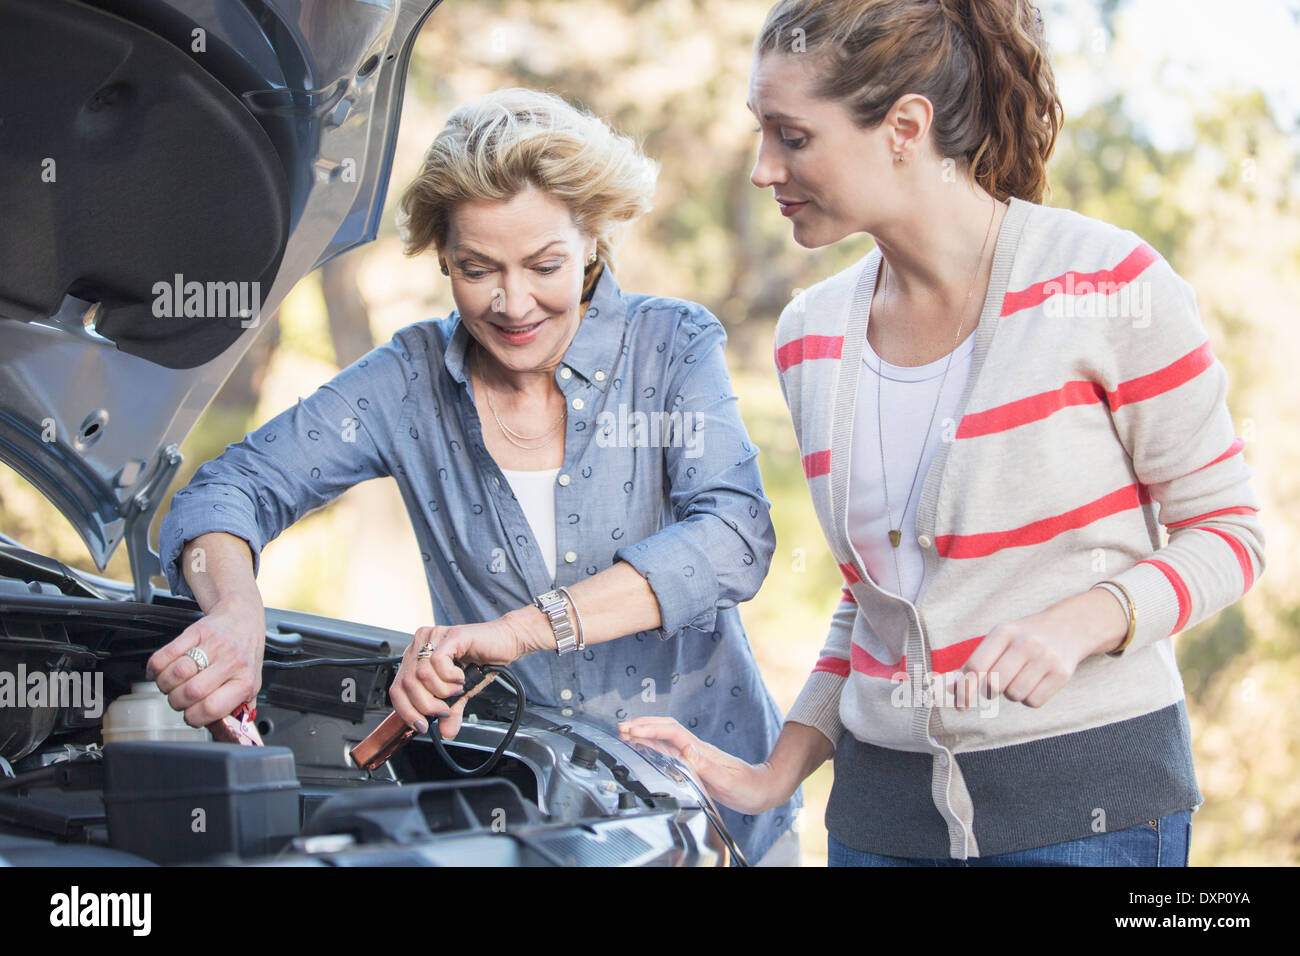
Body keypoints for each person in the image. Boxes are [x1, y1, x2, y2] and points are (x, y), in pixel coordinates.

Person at [620, 0, 1266, 866]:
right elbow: (876, 600)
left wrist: (1088, 617)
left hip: (1087, 817)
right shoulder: (811, 337)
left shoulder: (1109, 285)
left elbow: (1229, 534)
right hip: (876, 828)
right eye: (760, 134)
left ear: (905, 126)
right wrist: (779, 770)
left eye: (793, 137)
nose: (763, 169)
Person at [148, 88, 800, 865]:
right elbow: (228, 492)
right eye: (476, 268)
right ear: (441, 256)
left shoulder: (672, 347)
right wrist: (235, 608)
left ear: (592, 239)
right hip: (525, 830)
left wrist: (518, 632)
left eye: (545, 264)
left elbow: (733, 538)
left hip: (711, 823)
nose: (513, 302)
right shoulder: (408, 380)